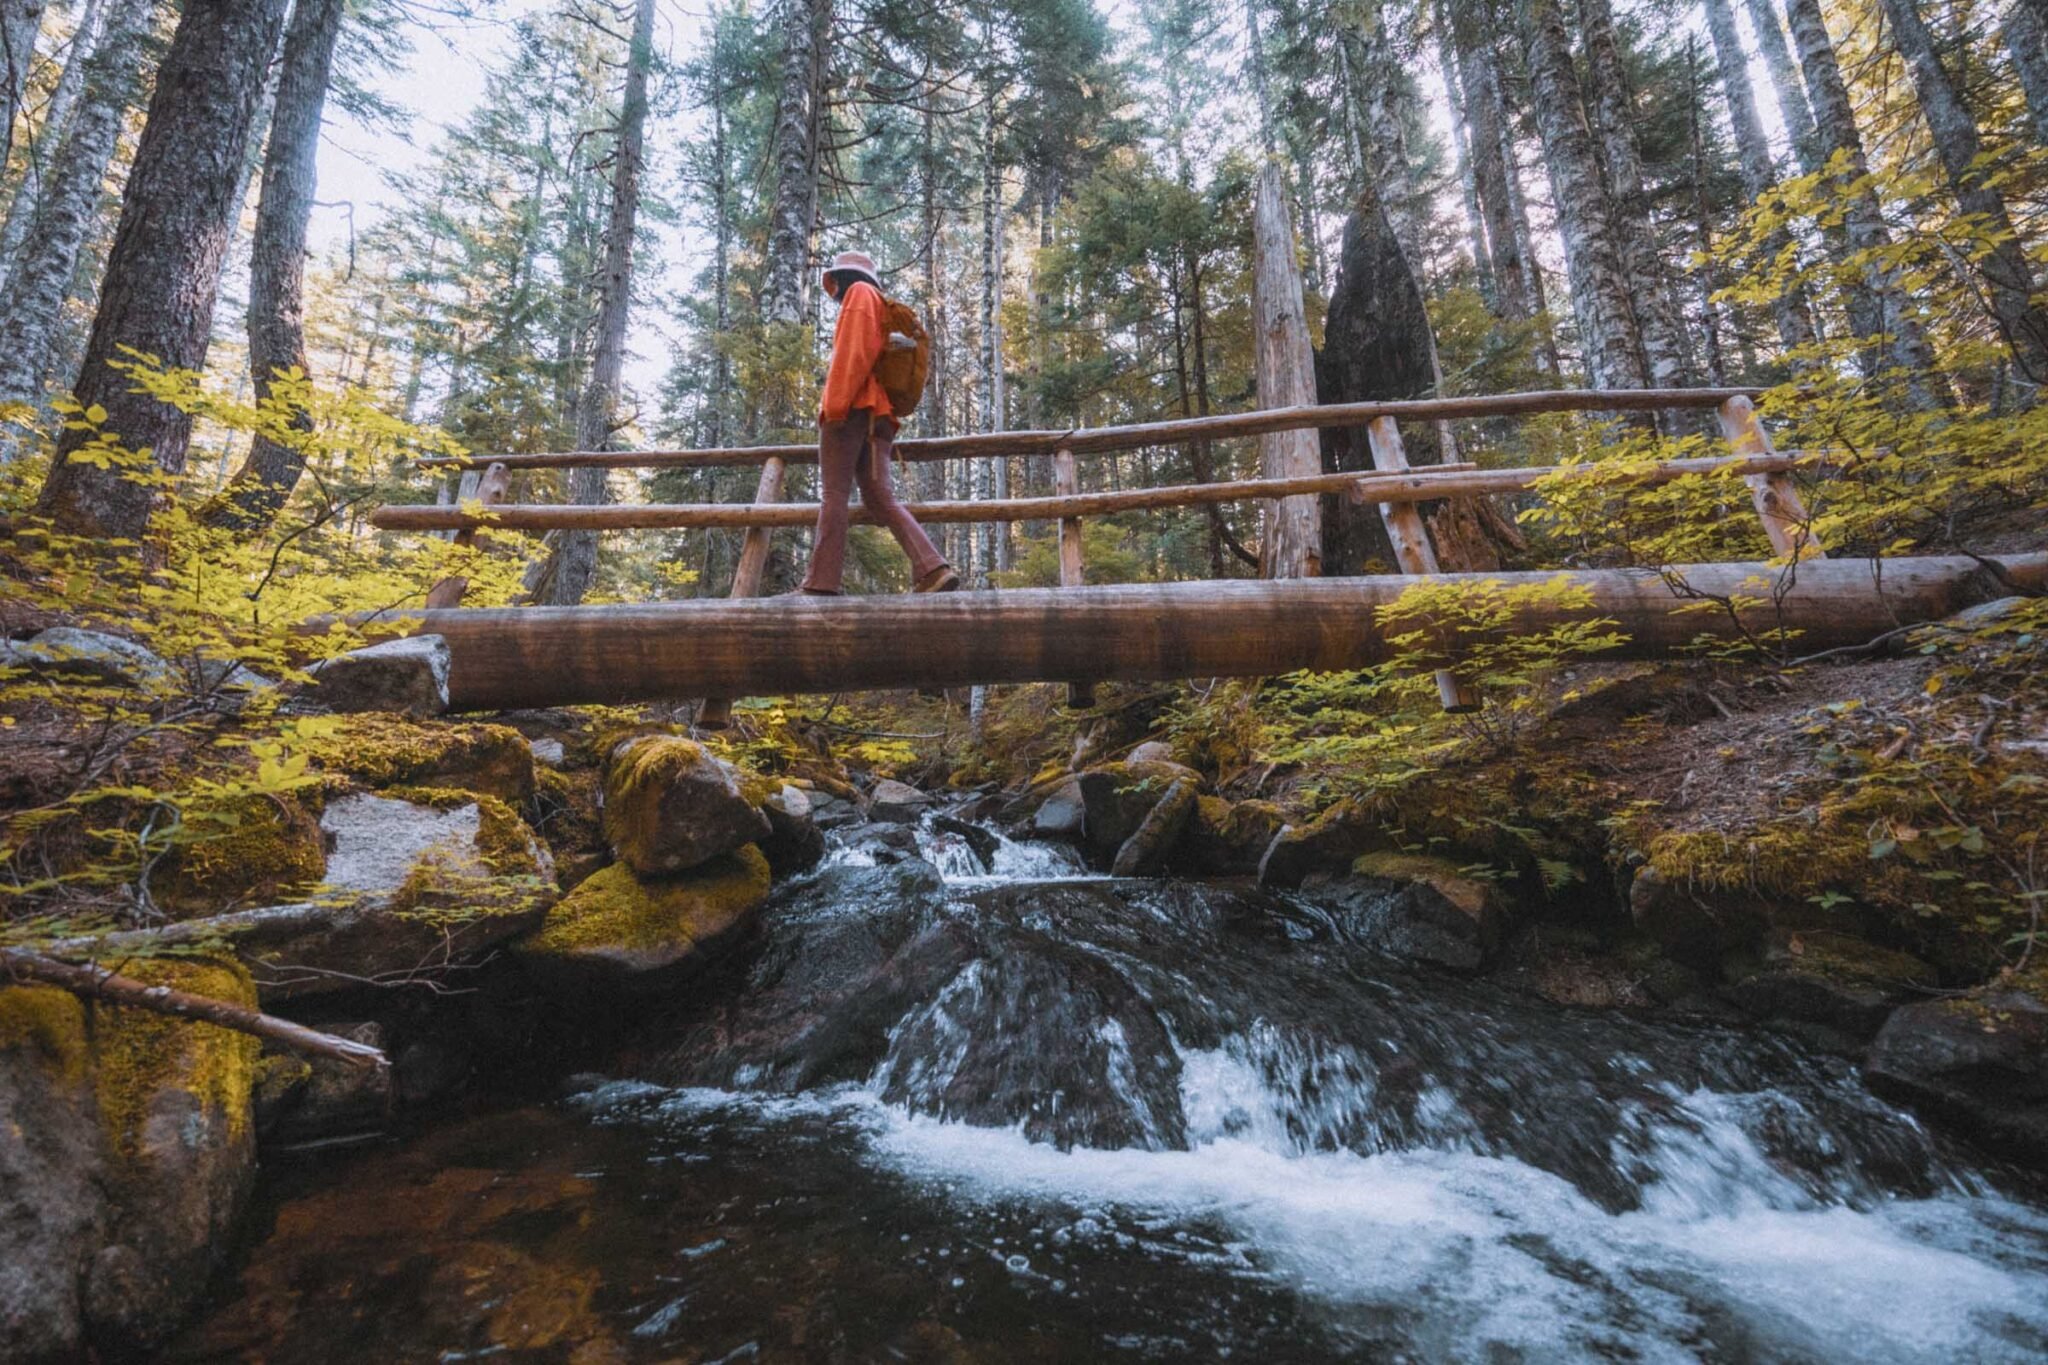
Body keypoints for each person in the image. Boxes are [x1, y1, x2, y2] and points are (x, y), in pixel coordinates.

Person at [797, 250, 959, 596]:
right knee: (879, 496)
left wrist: (834, 408)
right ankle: (932, 568)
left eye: (836, 280)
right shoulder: (877, 303)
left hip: (852, 410)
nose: (835, 288)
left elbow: (852, 355)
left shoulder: (859, 296)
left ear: (843, 279)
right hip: (879, 417)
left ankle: (820, 584)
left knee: (834, 495)